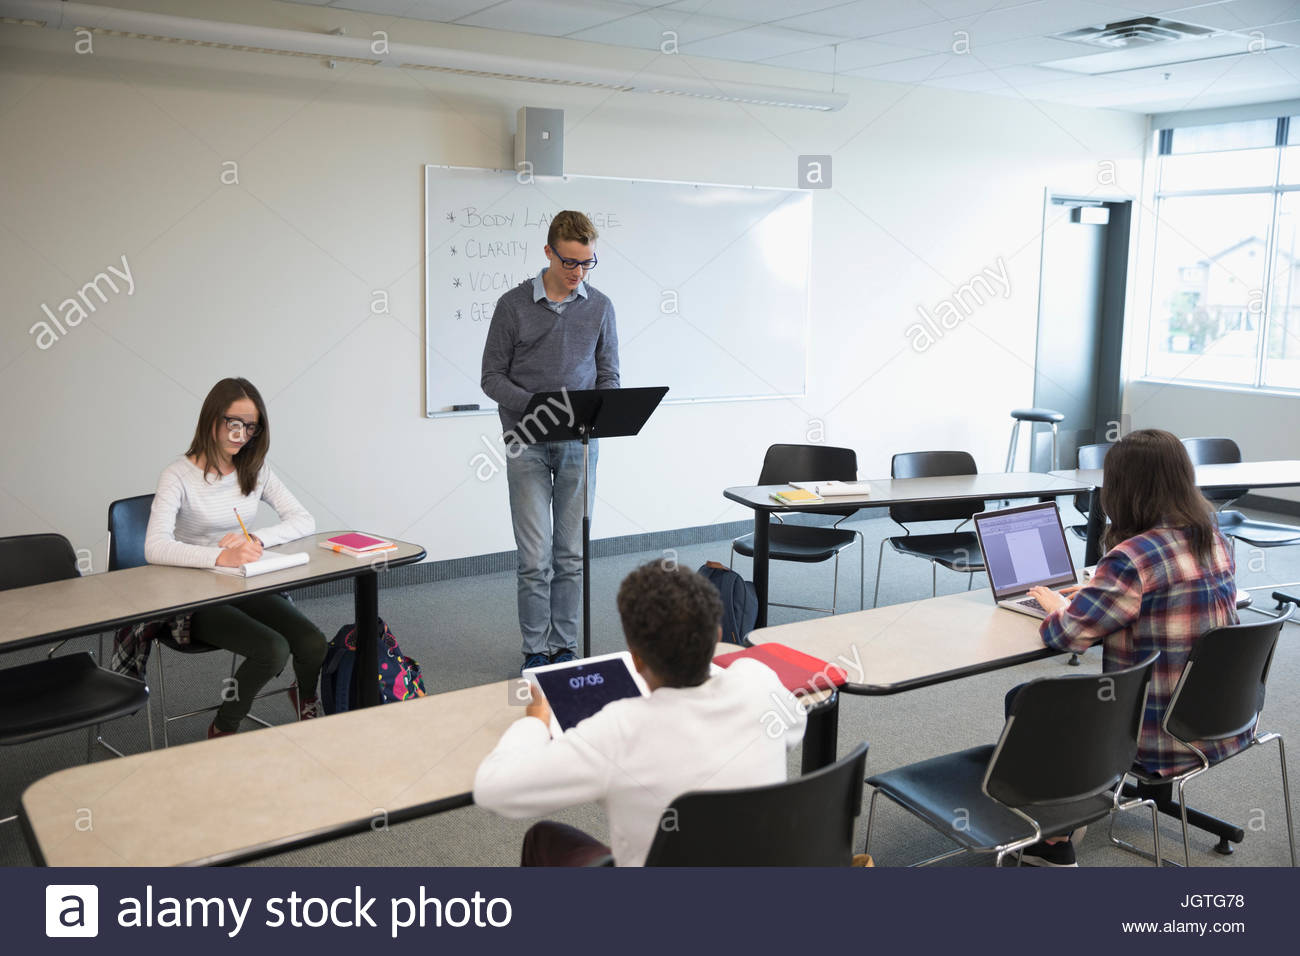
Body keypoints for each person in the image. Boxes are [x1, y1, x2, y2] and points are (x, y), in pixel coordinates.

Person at [473, 561, 806, 866]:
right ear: (717, 637)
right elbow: (796, 724)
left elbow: (493, 792)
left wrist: (535, 722)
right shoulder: (757, 682)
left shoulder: (620, 729)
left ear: (635, 657)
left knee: (542, 838)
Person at [1016, 428, 1239, 866]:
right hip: (1221, 717)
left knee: (1028, 700)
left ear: (1122, 488)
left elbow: (1066, 637)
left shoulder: (1133, 557)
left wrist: (1061, 604)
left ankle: (1052, 842)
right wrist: (1101, 593)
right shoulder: (1212, 535)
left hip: (1158, 732)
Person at [144, 377, 327, 738]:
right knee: (273, 650)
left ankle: (305, 698)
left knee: (312, 642)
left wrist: (252, 538)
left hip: (243, 583)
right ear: (212, 418)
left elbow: (305, 520)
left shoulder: (254, 468)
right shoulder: (177, 475)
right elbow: (155, 547)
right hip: (193, 598)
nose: (242, 434)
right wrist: (220, 556)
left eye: (251, 426)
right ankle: (223, 727)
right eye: (235, 423)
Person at [481, 210, 620, 672]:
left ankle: (565, 648)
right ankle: (535, 651)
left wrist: (603, 409)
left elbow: (608, 374)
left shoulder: (600, 306)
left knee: (571, 554)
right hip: (527, 442)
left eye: (587, 263)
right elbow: (491, 378)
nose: (578, 273)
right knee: (535, 557)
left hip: (580, 443)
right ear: (548, 253)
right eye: (570, 263)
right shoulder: (512, 305)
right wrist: (535, 405)